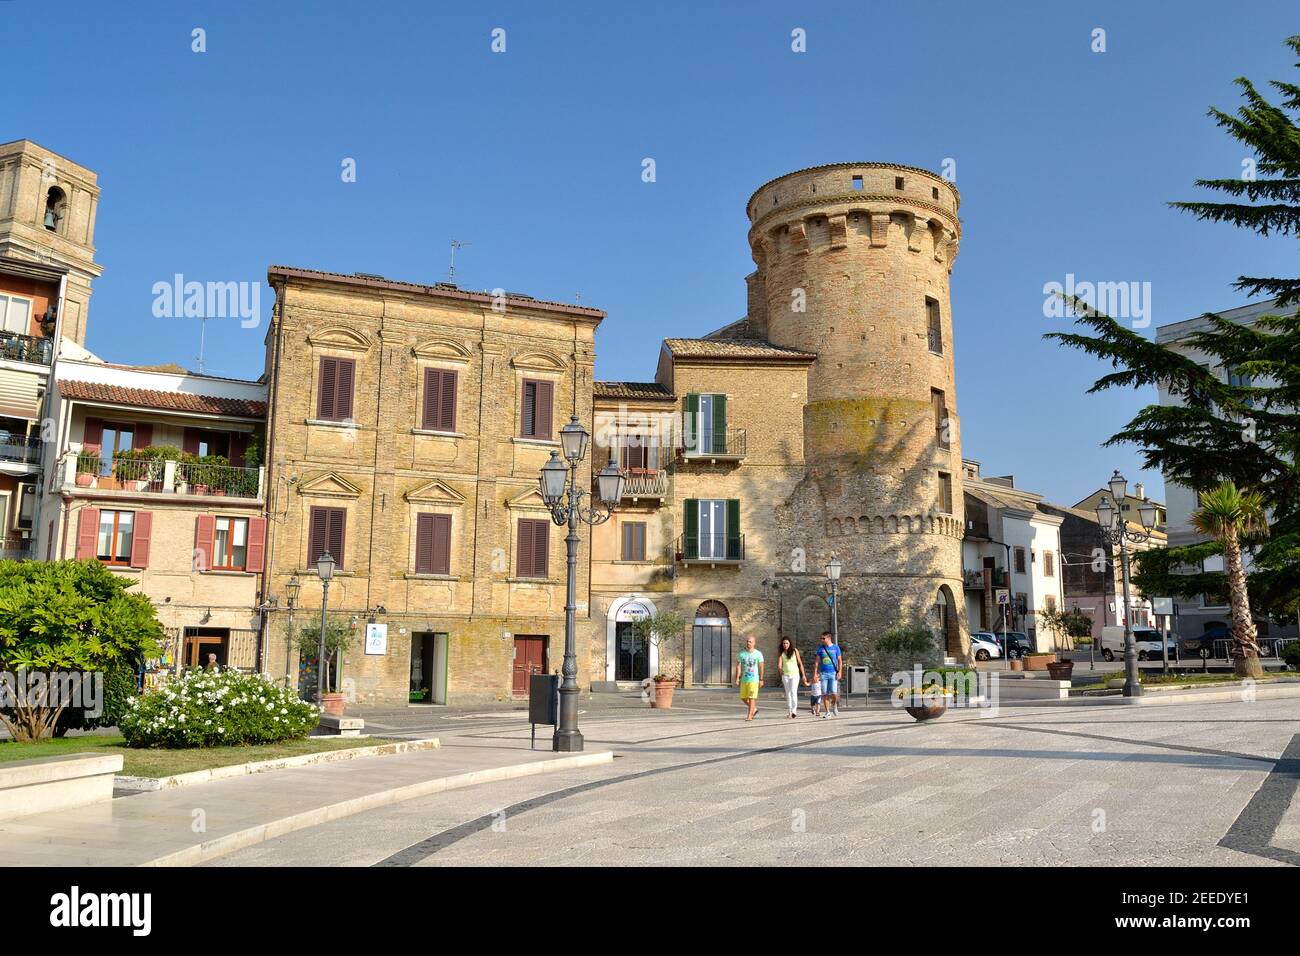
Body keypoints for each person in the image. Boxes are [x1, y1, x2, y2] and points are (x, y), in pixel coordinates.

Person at [734, 635, 764, 721]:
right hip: (744, 679)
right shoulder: (742, 654)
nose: (748, 643)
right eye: (747, 641)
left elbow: (761, 666)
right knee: (743, 697)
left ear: (754, 643)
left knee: (751, 698)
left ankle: (749, 716)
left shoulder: (758, 654)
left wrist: (761, 679)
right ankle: (754, 709)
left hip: (754, 680)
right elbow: (738, 666)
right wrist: (737, 678)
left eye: (750, 642)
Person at [776, 637, 806, 718]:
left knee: (793, 692)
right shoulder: (781, 653)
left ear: (790, 644)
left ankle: (794, 711)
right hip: (785, 676)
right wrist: (780, 669)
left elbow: (800, 663)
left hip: (795, 675)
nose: (785, 645)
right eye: (784, 643)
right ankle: (789, 711)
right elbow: (779, 664)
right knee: (788, 693)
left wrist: (803, 675)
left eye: (787, 643)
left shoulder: (795, 651)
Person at [815, 631, 843, 718]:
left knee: (834, 692)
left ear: (829, 638)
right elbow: (817, 662)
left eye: (823, 638)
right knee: (825, 693)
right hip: (823, 674)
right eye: (821, 638)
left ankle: (834, 705)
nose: (822, 640)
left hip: (833, 673)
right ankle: (827, 712)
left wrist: (840, 671)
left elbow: (840, 661)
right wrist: (815, 673)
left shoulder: (836, 648)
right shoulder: (820, 648)